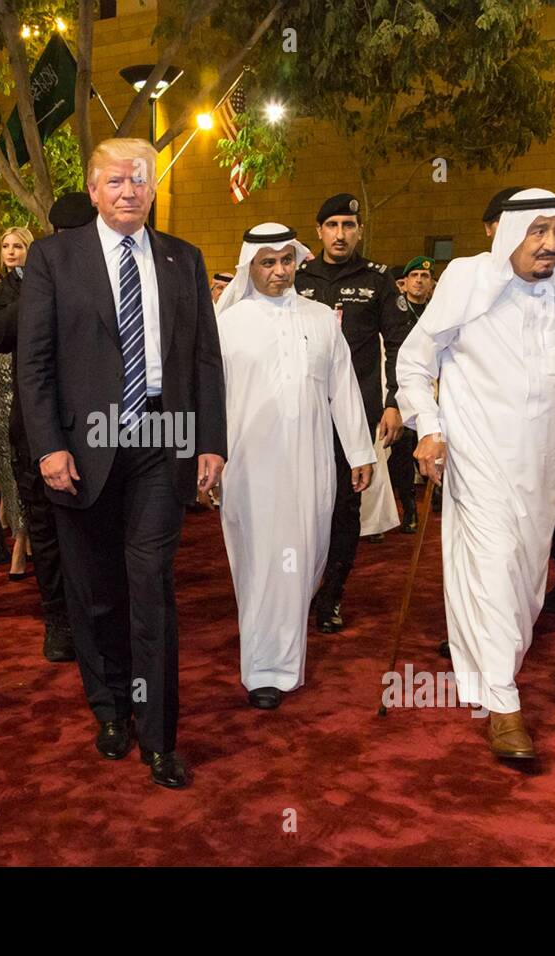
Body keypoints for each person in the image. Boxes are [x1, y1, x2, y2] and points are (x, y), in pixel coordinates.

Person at [19, 138, 227, 788]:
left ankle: (159, 734)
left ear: (153, 186)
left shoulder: (183, 260)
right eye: (116, 179)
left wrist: (211, 443)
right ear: (93, 187)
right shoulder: (54, 257)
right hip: (80, 451)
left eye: (140, 178)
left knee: (152, 589)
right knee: (95, 594)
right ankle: (109, 706)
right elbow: (35, 362)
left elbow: (204, 360)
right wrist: (49, 445)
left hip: (163, 442)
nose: (130, 190)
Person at [397, 188, 555, 761]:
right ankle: (505, 706)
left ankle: (486, 674)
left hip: (543, 465)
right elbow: (415, 360)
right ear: (511, 232)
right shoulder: (467, 279)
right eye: (537, 231)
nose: (550, 244)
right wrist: (429, 428)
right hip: (477, 455)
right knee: (492, 568)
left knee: (525, 582)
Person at [216, 223, 374, 709]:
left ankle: (283, 652)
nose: (279, 271)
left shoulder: (323, 318)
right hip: (249, 463)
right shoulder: (228, 322)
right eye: (268, 262)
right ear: (250, 266)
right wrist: (205, 461)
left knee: (306, 556)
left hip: (311, 461)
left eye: (286, 260)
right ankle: (264, 668)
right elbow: (211, 399)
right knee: (261, 562)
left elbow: (342, 387)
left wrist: (360, 451)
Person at [0, 193, 90, 663]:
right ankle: (59, 620)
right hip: (36, 432)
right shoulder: (26, 287)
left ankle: (92, 618)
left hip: (97, 433)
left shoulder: (107, 283)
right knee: (45, 532)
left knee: (92, 532)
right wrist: (39, 292)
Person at [294, 193, 407, 633]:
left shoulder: (378, 280)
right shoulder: (298, 276)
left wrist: (396, 401)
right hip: (301, 416)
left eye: (348, 226)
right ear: (319, 231)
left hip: (354, 417)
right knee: (302, 507)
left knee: (345, 508)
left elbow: (400, 344)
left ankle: (331, 595)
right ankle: (297, 587)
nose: (341, 234)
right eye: (332, 225)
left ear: (359, 231)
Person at [0, 226, 32, 579]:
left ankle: (24, 536)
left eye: (18, 246)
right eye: (6, 246)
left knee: (29, 461)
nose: (11, 251)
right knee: (5, 462)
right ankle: (18, 532)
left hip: (30, 378)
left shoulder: (42, 286)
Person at [389, 255, 434, 533]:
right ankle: (409, 507)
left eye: (425, 276)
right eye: (414, 275)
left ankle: (438, 496)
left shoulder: (438, 311)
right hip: (402, 388)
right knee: (404, 450)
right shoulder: (395, 311)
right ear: (403, 282)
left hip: (435, 388)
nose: (419, 280)